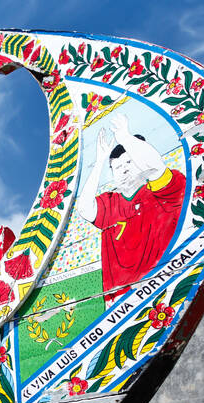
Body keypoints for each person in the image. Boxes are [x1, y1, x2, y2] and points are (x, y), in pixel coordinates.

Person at [78, 115, 185, 302]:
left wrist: (126, 138)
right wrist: (99, 162)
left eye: (129, 162)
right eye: (117, 167)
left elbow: (156, 168)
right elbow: (84, 208)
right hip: (119, 303)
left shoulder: (161, 192)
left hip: (165, 287)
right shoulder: (110, 203)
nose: (124, 170)